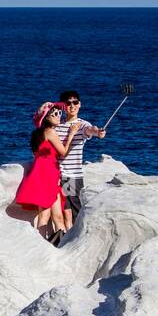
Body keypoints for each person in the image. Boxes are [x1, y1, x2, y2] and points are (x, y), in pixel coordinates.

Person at [14, 102, 82, 243]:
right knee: (45, 215)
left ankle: (59, 244)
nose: (59, 116)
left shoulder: (38, 134)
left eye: (59, 113)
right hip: (46, 177)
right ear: (46, 118)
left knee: (56, 215)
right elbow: (63, 152)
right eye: (55, 114)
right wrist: (71, 134)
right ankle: (43, 247)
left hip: (47, 176)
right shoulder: (50, 132)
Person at [53, 90, 105, 227]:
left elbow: (90, 130)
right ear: (63, 106)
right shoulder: (58, 124)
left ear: (79, 104)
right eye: (68, 103)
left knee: (74, 213)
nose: (72, 105)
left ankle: (74, 243)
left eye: (75, 102)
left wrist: (97, 132)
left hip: (71, 176)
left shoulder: (81, 125)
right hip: (56, 175)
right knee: (62, 213)